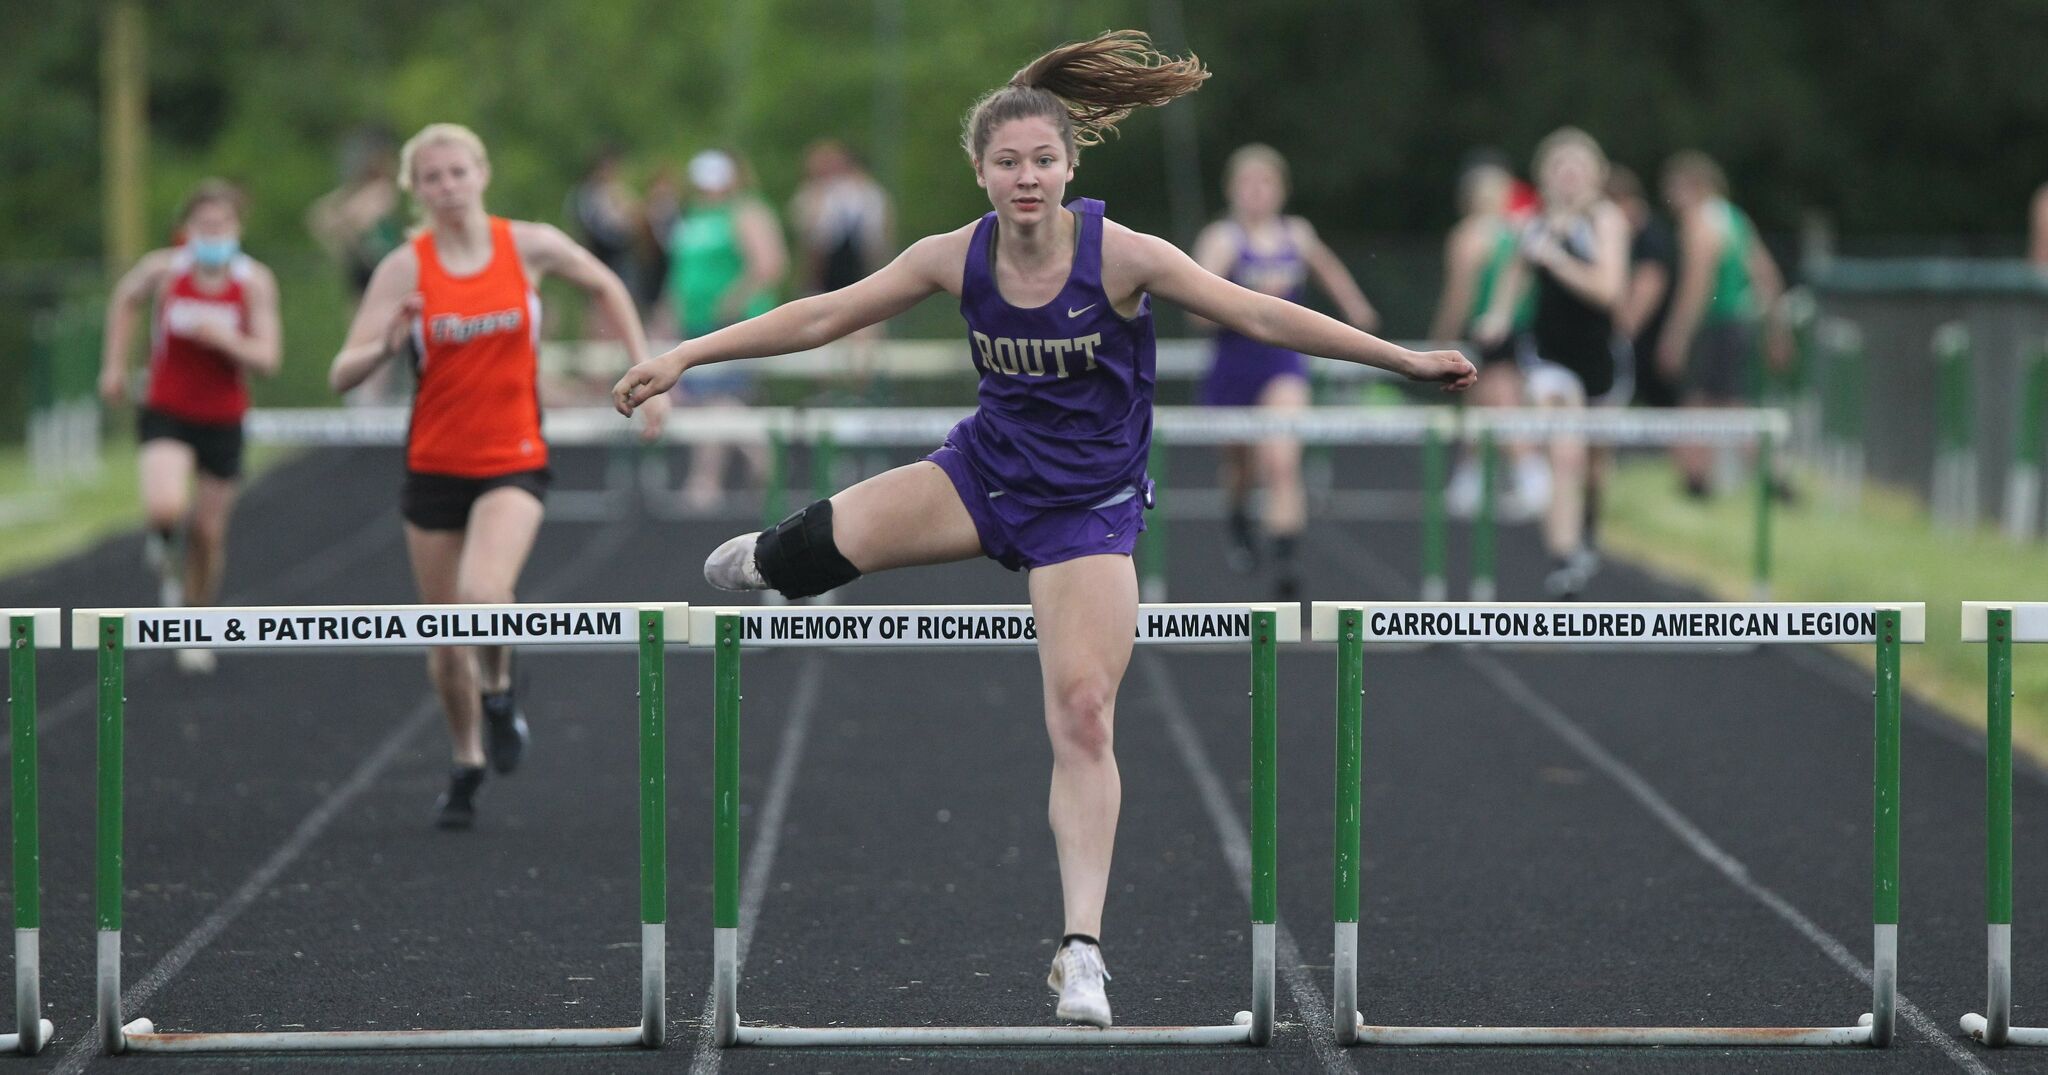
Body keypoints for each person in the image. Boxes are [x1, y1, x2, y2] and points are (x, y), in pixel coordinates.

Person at [611, 30, 1474, 1028]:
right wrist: (684, 353)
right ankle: (775, 555)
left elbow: (1260, 315)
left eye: (1042, 161)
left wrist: (1399, 361)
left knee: (1083, 712)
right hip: (977, 476)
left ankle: (1080, 951)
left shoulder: (1123, 256)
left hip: (1088, 514)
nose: (1026, 178)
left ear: (1068, 167)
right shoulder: (952, 256)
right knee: (792, 558)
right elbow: (820, 316)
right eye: (1007, 162)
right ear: (979, 172)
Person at [329, 123, 664, 829]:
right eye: (432, 177)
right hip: (433, 465)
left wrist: (647, 373)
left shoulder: (528, 244)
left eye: (458, 172)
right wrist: (386, 342)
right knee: (445, 640)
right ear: (414, 189)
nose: (447, 187)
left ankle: (504, 687)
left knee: (484, 593)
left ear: (481, 173)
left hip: (513, 455)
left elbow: (606, 282)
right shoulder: (405, 265)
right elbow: (342, 371)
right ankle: (466, 755)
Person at [100, 179, 282, 675]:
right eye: (204, 226)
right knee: (165, 506)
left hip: (223, 417)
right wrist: (115, 365)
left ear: (237, 228)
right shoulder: (164, 271)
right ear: (188, 230)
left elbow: (268, 357)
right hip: (168, 409)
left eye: (221, 225)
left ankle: (196, 624)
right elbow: (124, 299)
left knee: (207, 532)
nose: (213, 233)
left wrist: (229, 341)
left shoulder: (253, 282)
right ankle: (161, 542)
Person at [1193, 143, 1378, 600]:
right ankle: (1237, 518)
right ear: (1232, 191)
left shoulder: (1297, 234)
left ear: (1281, 190)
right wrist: (1249, 299)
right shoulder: (1221, 239)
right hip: (1234, 366)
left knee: (1281, 460)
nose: (1256, 194)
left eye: (1265, 184)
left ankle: (1285, 563)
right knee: (1240, 468)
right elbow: (1196, 311)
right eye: (1247, 184)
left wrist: (1357, 313)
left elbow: (1332, 274)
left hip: (1282, 366)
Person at [1476, 127, 1631, 599]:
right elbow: (1514, 275)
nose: (1568, 177)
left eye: (1577, 168)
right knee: (1565, 450)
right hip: (1548, 358)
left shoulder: (1607, 221)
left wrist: (1557, 257)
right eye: (1559, 168)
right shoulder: (1535, 223)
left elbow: (1607, 290)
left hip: (1601, 358)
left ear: (1595, 176)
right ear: (1545, 176)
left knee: (1595, 467)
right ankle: (1562, 562)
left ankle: (1586, 530)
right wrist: (1497, 317)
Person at [1656, 150, 1790, 497]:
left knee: (1700, 402)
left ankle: (1698, 480)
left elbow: (1697, 284)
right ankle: (1770, 477)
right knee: (1733, 403)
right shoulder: (1734, 218)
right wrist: (1777, 328)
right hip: (1740, 321)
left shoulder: (1698, 222)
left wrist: (1677, 335)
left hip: (1714, 322)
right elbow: (1766, 275)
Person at [664, 148, 787, 510]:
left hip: (734, 323)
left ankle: (713, 478)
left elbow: (769, 265)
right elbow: (681, 275)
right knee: (706, 402)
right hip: (695, 324)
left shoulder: (746, 211)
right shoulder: (694, 216)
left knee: (717, 399)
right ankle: (752, 461)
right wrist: (668, 316)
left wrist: (731, 303)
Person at [1430, 151, 1544, 521]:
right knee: (1482, 405)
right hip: (1518, 329)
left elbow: (1459, 295)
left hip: (1487, 331)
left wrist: (1441, 339)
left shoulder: (1469, 235)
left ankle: (1532, 480)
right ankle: (1474, 478)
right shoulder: (1516, 232)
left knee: (1500, 405)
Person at [307, 127, 407, 403]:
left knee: (383, 335)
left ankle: (379, 397)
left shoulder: (380, 192)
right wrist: (346, 243)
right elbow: (323, 217)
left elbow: (345, 218)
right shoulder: (374, 191)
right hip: (369, 270)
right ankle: (367, 400)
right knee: (368, 337)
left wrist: (346, 232)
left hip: (381, 268)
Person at [1607, 165, 1678, 408]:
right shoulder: (1646, 234)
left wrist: (1615, 336)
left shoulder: (1650, 238)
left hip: (1652, 341)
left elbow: (1648, 288)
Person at [565, 145, 644, 338]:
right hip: (596, 257)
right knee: (597, 310)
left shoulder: (618, 192)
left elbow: (636, 224)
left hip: (620, 260)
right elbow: (601, 230)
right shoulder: (586, 195)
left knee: (621, 305)